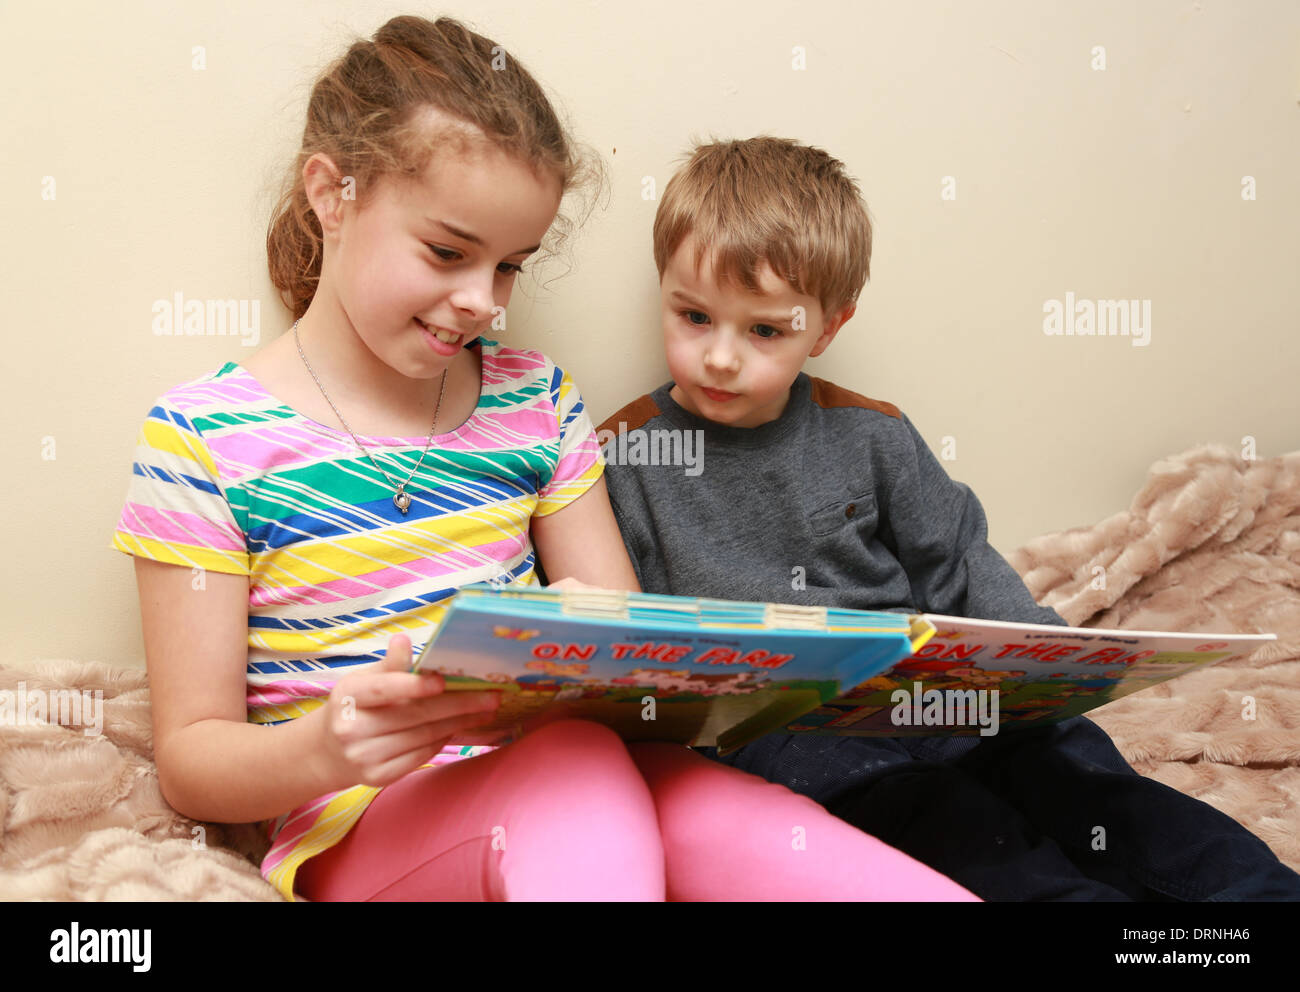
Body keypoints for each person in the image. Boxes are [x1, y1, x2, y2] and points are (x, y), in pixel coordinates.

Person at [108, 16, 977, 903]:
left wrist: (639, 663)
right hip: (368, 823)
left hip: (579, 771)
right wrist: (324, 746)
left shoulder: (537, 401)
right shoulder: (202, 436)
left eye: (511, 266)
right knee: (575, 765)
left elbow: (626, 644)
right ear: (332, 195)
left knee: (774, 837)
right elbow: (190, 762)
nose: (481, 300)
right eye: (448, 252)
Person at [598, 135, 1300, 901]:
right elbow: (626, 637)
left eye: (764, 330)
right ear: (662, 291)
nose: (722, 357)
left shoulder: (871, 435)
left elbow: (961, 563)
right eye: (694, 316)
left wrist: (1048, 670)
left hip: (939, 692)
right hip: (794, 736)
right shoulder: (624, 455)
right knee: (954, 828)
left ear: (827, 328)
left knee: (1087, 777)